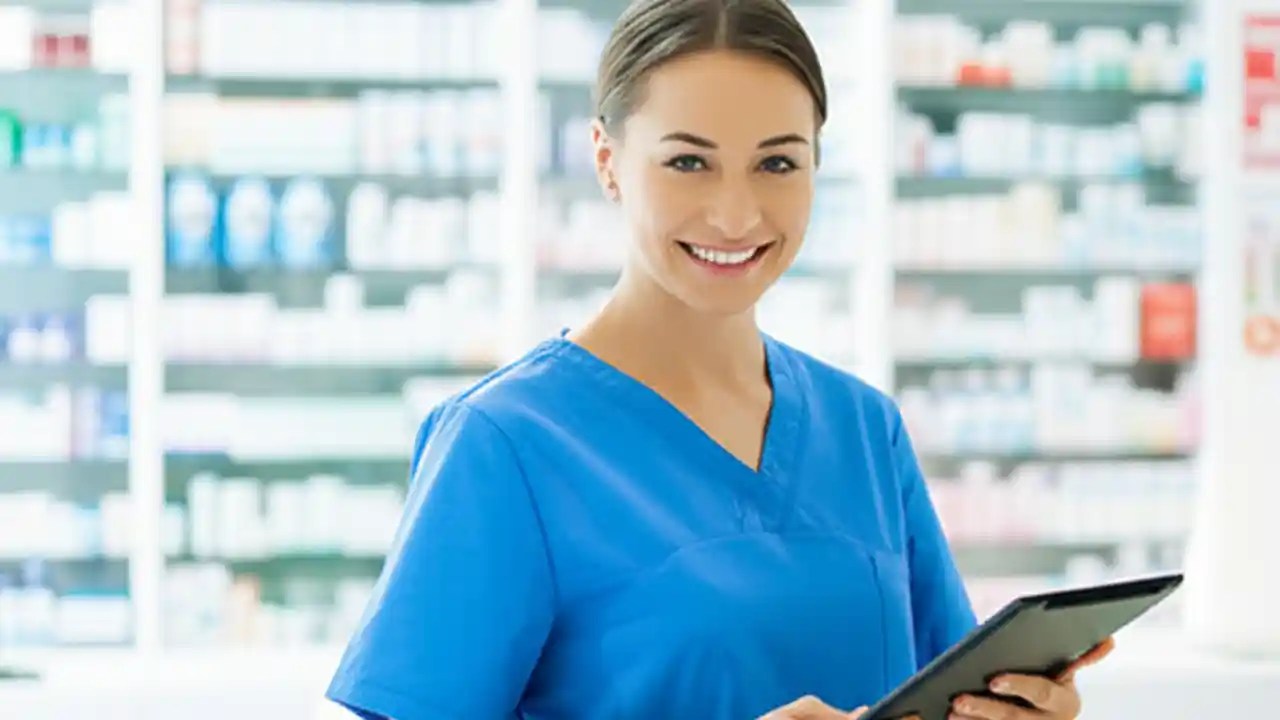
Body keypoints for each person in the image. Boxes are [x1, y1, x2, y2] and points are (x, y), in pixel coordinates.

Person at [325, 0, 1114, 718]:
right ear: (606, 159)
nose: (736, 214)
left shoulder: (864, 429)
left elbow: (937, 692)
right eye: (688, 162)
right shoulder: (507, 444)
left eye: (777, 163)